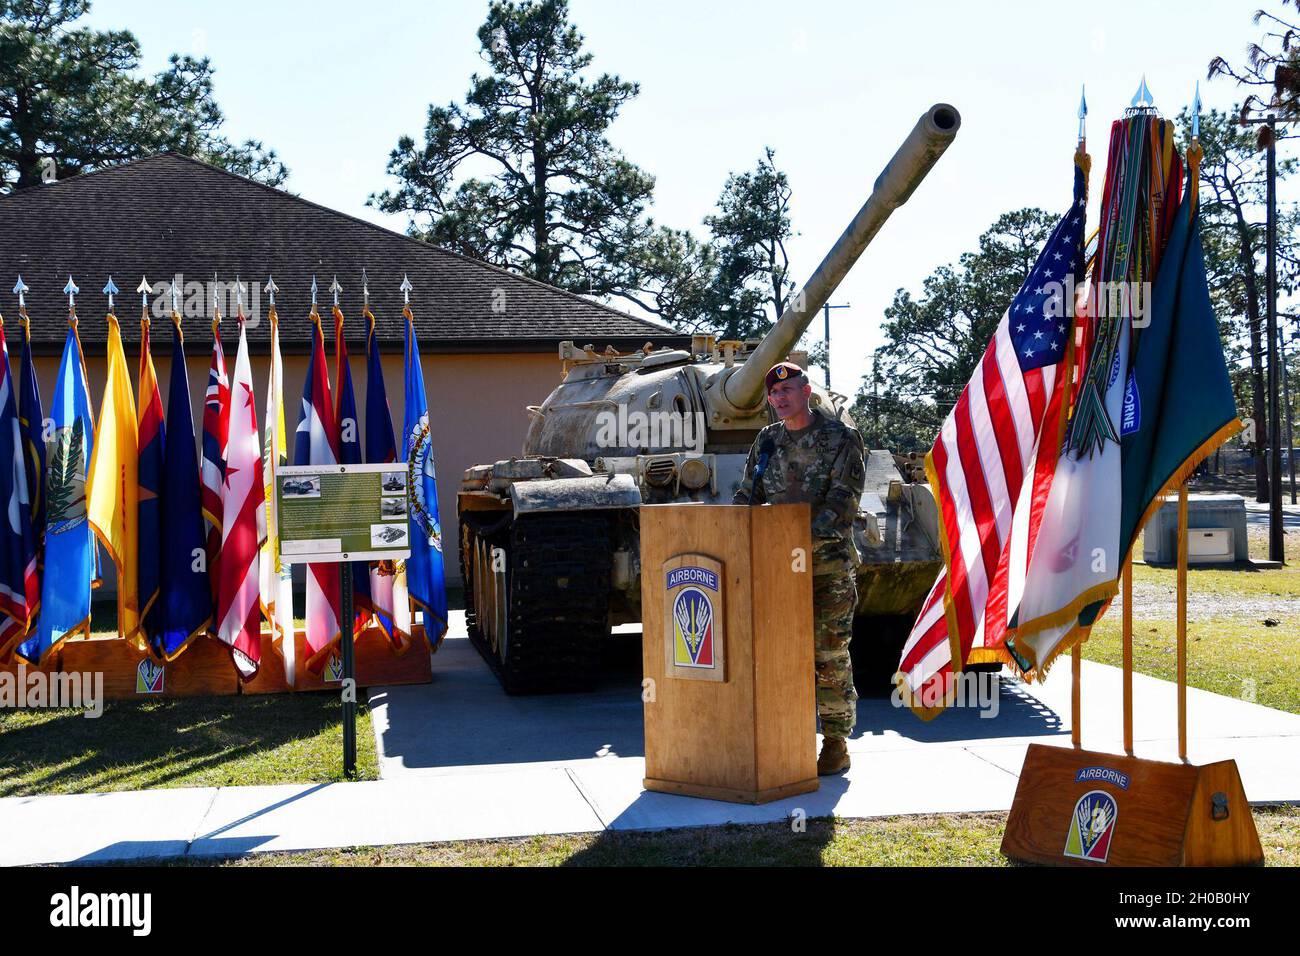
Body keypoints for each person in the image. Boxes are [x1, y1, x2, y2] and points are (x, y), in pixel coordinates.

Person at [733, 361, 866, 775]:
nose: (779, 398)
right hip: (775, 573)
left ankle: (835, 743)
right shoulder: (767, 440)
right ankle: (783, 736)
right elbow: (747, 495)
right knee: (777, 656)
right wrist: (732, 534)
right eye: (774, 394)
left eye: (787, 390)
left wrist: (787, 541)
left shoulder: (841, 439)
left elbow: (841, 509)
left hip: (826, 570)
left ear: (806, 392)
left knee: (827, 655)